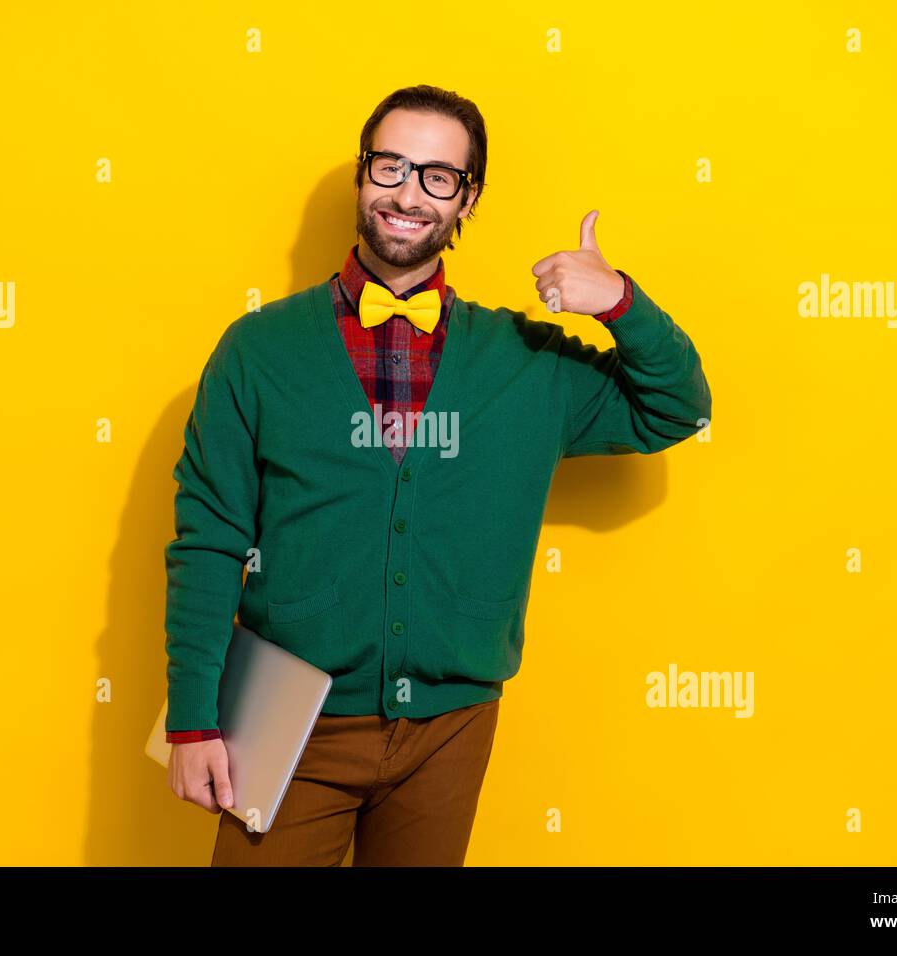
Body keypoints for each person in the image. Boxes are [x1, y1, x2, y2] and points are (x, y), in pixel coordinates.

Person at [163, 84, 712, 865]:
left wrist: (619, 302)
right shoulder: (257, 350)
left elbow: (678, 411)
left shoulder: (527, 363)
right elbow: (208, 540)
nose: (408, 193)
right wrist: (192, 718)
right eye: (391, 166)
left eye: (437, 176)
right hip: (287, 719)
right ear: (362, 175)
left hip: (452, 732)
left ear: (468, 200)